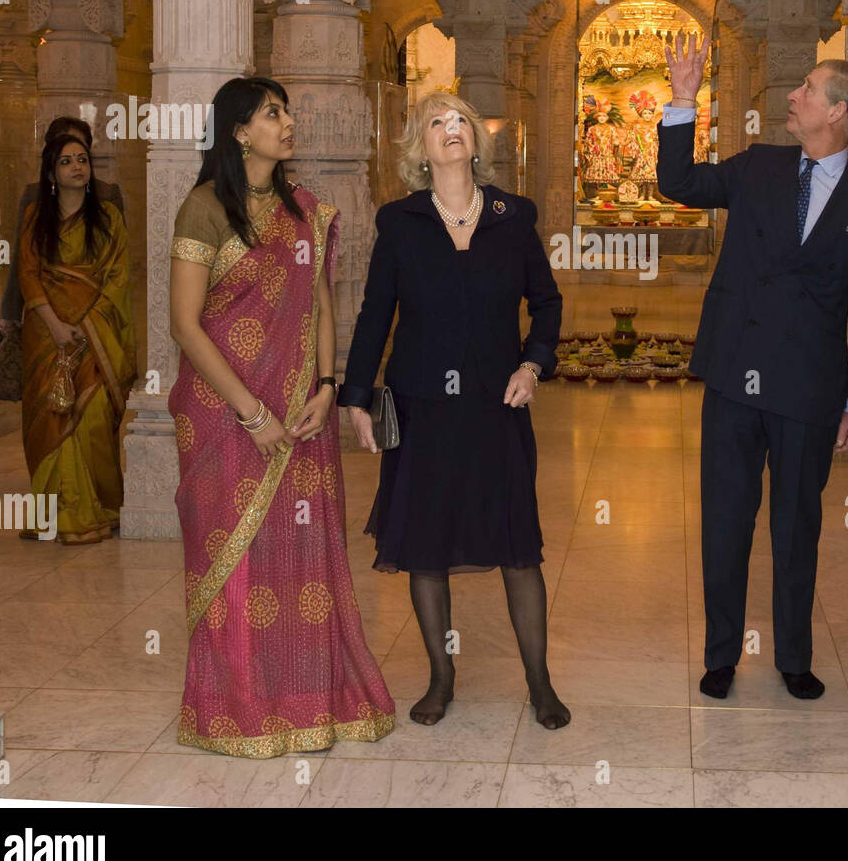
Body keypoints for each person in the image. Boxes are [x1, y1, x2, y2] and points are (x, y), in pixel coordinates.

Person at [658, 33, 848, 701]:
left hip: (810, 389)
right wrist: (684, 99)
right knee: (726, 520)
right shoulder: (759, 165)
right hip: (736, 375)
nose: (793, 96)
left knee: (797, 525)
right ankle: (721, 654)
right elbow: (679, 182)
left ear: (839, 113)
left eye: (808, 90)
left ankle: (794, 654)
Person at [167, 76, 394, 758]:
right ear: (239, 130)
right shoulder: (204, 209)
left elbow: (321, 306)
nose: (288, 121)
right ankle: (238, 706)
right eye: (273, 112)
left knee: (299, 556)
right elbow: (184, 323)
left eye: (286, 110)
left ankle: (307, 695)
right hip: (221, 415)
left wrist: (327, 384)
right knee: (234, 558)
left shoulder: (304, 211)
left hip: (300, 411)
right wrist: (248, 412)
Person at [339, 90, 569, 730]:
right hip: (422, 409)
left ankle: (540, 683)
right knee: (427, 547)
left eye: (460, 119)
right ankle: (441, 679)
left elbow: (546, 305)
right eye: (436, 122)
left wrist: (533, 364)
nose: (451, 129)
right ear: (420, 144)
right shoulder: (401, 221)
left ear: (476, 137)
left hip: (497, 404)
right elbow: (374, 315)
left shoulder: (512, 217)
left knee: (519, 547)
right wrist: (356, 397)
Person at [18, 132, 136, 543]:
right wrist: (53, 324)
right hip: (46, 335)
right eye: (66, 161)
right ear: (52, 172)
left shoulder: (108, 217)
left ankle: (101, 507)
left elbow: (119, 277)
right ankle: (54, 515)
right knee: (50, 418)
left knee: (94, 414)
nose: (76, 167)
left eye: (82, 159)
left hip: (94, 334)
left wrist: (88, 325)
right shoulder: (36, 217)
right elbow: (27, 275)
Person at [1, 117, 124, 333]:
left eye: (80, 155)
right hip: (45, 318)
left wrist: (94, 321)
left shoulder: (108, 198)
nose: (75, 165)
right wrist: (11, 312)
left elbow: (116, 263)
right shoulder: (34, 198)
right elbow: (24, 265)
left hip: (94, 318)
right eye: (64, 158)